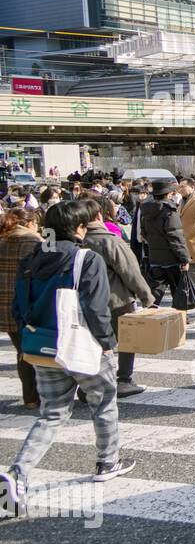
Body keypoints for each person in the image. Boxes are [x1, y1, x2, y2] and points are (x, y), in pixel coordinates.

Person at [0, 201, 131, 517]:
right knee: (103, 402)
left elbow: (18, 305)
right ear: (77, 228)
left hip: (44, 346)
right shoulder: (86, 259)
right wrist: (107, 343)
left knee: (52, 413)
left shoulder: (33, 258)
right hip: (82, 346)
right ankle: (107, 460)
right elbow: (96, 308)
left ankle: (18, 473)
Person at [80, 196, 153, 398]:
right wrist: (146, 297)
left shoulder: (79, 241)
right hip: (116, 298)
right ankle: (124, 379)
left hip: (85, 300)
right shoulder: (110, 241)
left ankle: (89, 384)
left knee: (93, 342)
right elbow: (130, 272)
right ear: (99, 215)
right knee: (127, 341)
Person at [0, 208, 45, 409]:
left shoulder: (2, 241)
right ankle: (38, 395)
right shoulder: (34, 242)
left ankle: (30, 398)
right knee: (35, 351)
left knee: (22, 351)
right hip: (28, 304)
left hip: (4, 305)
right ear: (29, 223)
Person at [138, 180, 191, 306]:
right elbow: (175, 237)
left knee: (156, 290)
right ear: (168, 194)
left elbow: (144, 233)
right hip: (171, 257)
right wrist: (184, 258)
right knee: (178, 289)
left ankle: (150, 315)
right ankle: (180, 317)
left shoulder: (146, 210)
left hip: (154, 255)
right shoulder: (169, 211)